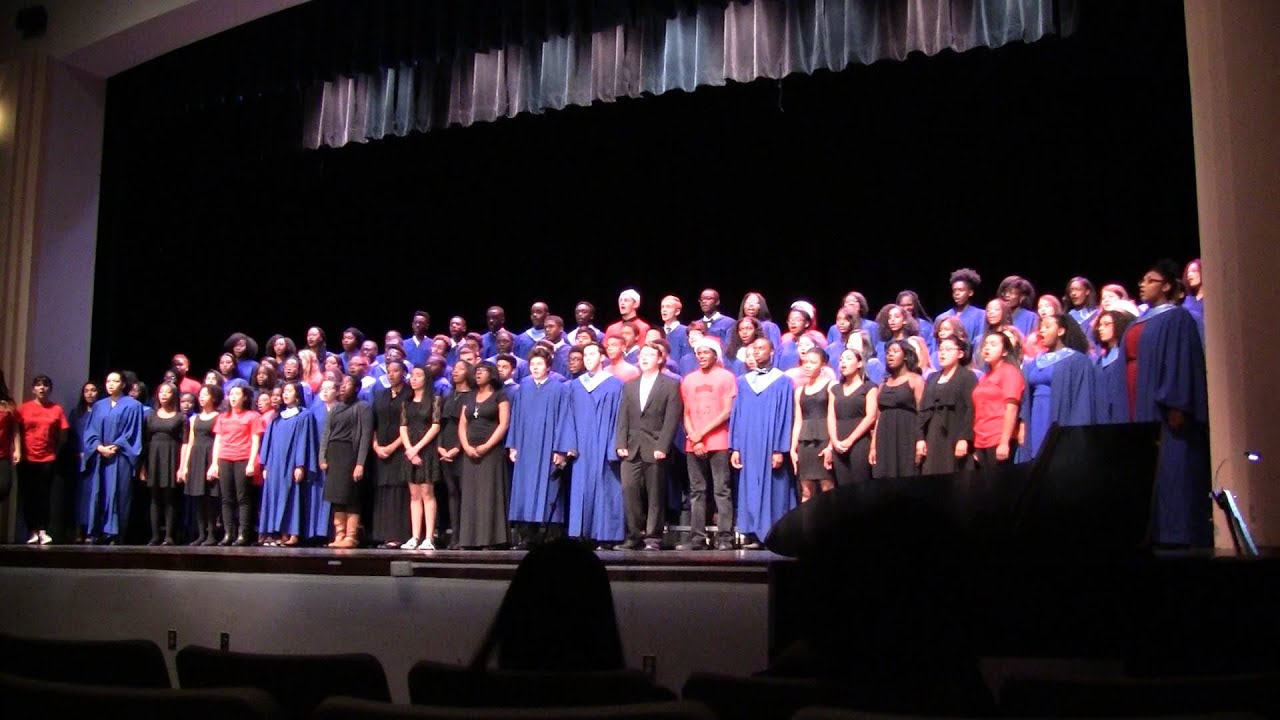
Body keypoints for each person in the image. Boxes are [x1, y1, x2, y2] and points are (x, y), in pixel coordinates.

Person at [1124, 260, 1211, 547]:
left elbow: (1180, 363)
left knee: (1173, 468)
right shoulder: (1140, 320)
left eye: (1150, 280)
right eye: (1142, 280)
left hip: (1162, 404)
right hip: (1137, 398)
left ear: (1167, 286)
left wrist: (1176, 404)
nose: (1142, 284)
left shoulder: (1178, 318)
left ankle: (1177, 533)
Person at [614, 343, 683, 551]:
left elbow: (671, 419)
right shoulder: (630, 385)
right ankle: (633, 535)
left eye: (650, 355)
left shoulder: (670, 385)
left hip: (655, 446)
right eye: (642, 354)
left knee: (655, 493)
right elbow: (623, 416)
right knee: (629, 489)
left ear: (660, 359)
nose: (644, 358)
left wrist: (663, 445)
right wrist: (620, 442)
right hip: (632, 446)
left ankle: (653, 537)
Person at [730, 338, 795, 550]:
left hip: (770, 443)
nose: (757, 352)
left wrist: (779, 448)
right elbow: (737, 416)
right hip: (749, 443)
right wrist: (736, 447)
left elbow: (786, 416)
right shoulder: (743, 381)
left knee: (774, 487)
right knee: (750, 486)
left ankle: (774, 534)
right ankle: (755, 534)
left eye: (761, 348)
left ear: (772, 351)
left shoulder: (782, 381)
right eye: (754, 349)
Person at [504, 347, 573, 548]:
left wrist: (561, 449)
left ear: (548, 367)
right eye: (532, 364)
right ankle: (528, 536)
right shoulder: (523, 387)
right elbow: (515, 417)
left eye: (539, 364)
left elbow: (564, 419)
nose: (535, 368)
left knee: (549, 490)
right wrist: (513, 445)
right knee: (524, 490)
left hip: (548, 448)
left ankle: (552, 536)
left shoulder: (559, 389)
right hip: (526, 448)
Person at [564, 342, 625, 548]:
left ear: (602, 357)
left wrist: (615, 446)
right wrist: (569, 444)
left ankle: (606, 535)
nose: (588, 358)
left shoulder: (614, 384)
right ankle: (581, 534)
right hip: (581, 446)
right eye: (585, 355)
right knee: (580, 487)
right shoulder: (574, 385)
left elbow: (619, 418)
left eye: (592, 354)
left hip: (604, 445)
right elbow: (568, 418)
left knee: (606, 486)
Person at [679, 338, 737, 551]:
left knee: (721, 490)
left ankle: (725, 538)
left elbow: (727, 411)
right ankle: (697, 538)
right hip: (693, 443)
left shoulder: (726, 377)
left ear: (715, 354)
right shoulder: (689, 379)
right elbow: (685, 412)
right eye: (699, 353)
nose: (702, 356)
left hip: (718, 441)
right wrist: (694, 437)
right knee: (697, 491)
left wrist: (700, 434)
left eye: (706, 352)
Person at [1019, 313, 1097, 460]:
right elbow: (1026, 398)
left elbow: (1083, 401)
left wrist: (1075, 433)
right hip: (1036, 415)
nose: (1041, 331)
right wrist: (1023, 424)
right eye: (1041, 327)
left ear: (1061, 331)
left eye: (1047, 327)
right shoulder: (1035, 362)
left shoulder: (1077, 361)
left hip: (1059, 416)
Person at [82, 371, 145, 544]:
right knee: (99, 492)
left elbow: (133, 432)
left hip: (121, 457)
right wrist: (99, 447)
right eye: (108, 381)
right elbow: (90, 431)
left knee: (119, 493)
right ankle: (96, 531)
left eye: (115, 381)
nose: (110, 384)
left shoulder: (133, 405)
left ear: (123, 384)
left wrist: (117, 446)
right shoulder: (99, 406)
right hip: (100, 457)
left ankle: (116, 534)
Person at [457, 362, 511, 549]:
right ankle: (470, 539)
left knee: (489, 494)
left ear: (492, 374)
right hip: (470, 452)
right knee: (471, 494)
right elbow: (462, 424)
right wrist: (466, 446)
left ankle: (491, 539)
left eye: (483, 371)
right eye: (476, 371)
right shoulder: (470, 396)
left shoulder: (500, 396)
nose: (478, 374)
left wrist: (487, 446)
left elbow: (503, 424)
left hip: (491, 451)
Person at [258, 381, 317, 548]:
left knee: (292, 494)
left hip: (291, 462)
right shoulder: (277, 417)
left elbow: (303, 441)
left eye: (289, 391)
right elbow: (268, 442)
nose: (285, 394)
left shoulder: (304, 415)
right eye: (284, 391)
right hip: (275, 463)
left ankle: (293, 533)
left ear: (297, 394)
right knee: (274, 495)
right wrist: (265, 465)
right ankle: (276, 532)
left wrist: (300, 465)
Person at [15, 374, 69, 544]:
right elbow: (16, 431)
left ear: (49, 389)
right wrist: (17, 451)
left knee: (44, 495)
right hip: (27, 458)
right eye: (38, 385)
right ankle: (31, 530)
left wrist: (56, 451)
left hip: (48, 458)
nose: (41, 388)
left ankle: (43, 530)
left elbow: (63, 434)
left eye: (45, 385)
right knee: (28, 495)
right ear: (33, 389)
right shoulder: (24, 408)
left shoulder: (56, 409)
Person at [320, 375, 372, 549]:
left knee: (352, 496)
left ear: (356, 388)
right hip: (335, 455)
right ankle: (339, 534)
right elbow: (327, 433)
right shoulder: (335, 408)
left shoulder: (362, 407)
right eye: (342, 384)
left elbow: (365, 435)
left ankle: (351, 535)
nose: (343, 387)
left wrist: (360, 463)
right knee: (337, 497)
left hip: (351, 454)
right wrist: (323, 456)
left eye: (347, 384)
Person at [916, 337, 978, 475]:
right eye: (941, 350)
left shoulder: (967, 376)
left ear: (960, 354)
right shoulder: (932, 378)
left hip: (955, 433)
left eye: (948, 349)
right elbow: (923, 410)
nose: (943, 353)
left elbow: (970, 409)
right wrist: (920, 438)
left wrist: (964, 438)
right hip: (932, 435)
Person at [208, 384, 261, 546]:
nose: (233, 397)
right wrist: (214, 464)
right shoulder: (222, 417)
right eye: (231, 394)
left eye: (237, 394)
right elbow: (217, 441)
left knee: (242, 498)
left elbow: (255, 440)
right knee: (226, 498)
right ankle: (228, 534)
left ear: (244, 397)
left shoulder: (252, 416)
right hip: (225, 458)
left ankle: (243, 534)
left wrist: (252, 462)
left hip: (243, 458)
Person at [399, 366, 442, 550]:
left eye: (418, 375)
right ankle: (415, 536)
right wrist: (409, 449)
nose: (414, 379)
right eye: (412, 375)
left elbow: (435, 425)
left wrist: (417, 448)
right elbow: (403, 427)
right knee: (414, 495)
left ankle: (429, 537)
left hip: (426, 449)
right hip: (410, 451)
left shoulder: (435, 400)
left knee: (427, 494)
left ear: (426, 379)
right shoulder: (406, 402)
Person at [368, 360, 411, 548]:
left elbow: (410, 425)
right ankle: (383, 534)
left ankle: (398, 535)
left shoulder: (409, 395)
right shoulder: (381, 395)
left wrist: (393, 446)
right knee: (382, 489)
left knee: (398, 490)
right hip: (381, 451)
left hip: (400, 450)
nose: (391, 374)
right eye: (389, 371)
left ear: (404, 373)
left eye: (396, 371)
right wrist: (376, 445)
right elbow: (374, 424)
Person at [971, 330, 1025, 474]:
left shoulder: (1010, 372)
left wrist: (1004, 442)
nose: (987, 347)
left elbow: (1011, 409)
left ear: (1005, 351)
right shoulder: (985, 376)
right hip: (982, 440)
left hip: (998, 438)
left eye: (993, 344)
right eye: (986, 344)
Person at [870, 340, 924, 479]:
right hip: (885, 437)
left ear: (905, 355)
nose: (890, 355)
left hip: (907, 435)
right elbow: (878, 417)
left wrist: (920, 440)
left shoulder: (915, 380)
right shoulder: (883, 385)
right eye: (888, 353)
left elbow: (922, 412)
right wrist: (873, 446)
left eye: (895, 351)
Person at [140, 382, 184, 545]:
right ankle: (155, 535)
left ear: (174, 395)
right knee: (154, 498)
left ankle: (169, 536)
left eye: (167, 392)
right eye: (161, 392)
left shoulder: (180, 417)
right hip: (153, 457)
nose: (164, 395)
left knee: (169, 498)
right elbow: (145, 441)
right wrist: (143, 466)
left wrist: (181, 466)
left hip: (172, 456)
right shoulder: (150, 415)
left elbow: (184, 441)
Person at [178, 383, 222, 545]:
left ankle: (211, 534)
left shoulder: (219, 417)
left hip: (210, 456)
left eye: (206, 394)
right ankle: (201, 533)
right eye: (201, 394)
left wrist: (215, 464)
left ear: (214, 397)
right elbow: (190, 442)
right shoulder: (194, 418)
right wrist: (185, 466)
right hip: (196, 456)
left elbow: (219, 440)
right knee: (198, 497)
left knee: (211, 497)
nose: (202, 397)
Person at [827, 348, 878, 487]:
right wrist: (835, 441)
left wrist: (850, 440)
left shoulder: (869, 387)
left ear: (859, 363)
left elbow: (871, 416)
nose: (843, 362)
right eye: (841, 359)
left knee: (861, 487)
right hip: (839, 443)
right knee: (843, 488)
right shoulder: (835, 389)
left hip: (859, 443)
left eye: (848, 358)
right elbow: (831, 417)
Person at [791, 348, 835, 502]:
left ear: (822, 365)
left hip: (824, 439)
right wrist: (793, 448)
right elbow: (798, 420)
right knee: (806, 489)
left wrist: (831, 445)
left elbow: (833, 417)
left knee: (826, 486)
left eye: (813, 362)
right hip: (805, 441)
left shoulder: (831, 386)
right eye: (805, 362)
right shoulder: (800, 391)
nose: (807, 365)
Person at [437, 360, 471, 548]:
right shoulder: (449, 395)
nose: (455, 371)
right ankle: (455, 536)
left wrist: (457, 448)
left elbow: (466, 426)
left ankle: (465, 536)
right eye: (454, 369)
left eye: (460, 369)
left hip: (461, 449)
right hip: (445, 450)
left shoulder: (471, 396)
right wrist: (441, 447)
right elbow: (442, 424)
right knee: (451, 493)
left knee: (464, 493)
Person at [68, 381, 99, 543]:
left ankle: (92, 531)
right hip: (79, 460)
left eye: (93, 390)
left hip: (96, 459)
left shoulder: (102, 412)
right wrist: (78, 453)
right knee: (79, 496)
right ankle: (78, 530)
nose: (89, 393)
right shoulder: (76, 413)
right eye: (86, 390)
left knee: (93, 496)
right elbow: (71, 436)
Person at [1093, 309, 1136, 424]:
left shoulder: (1125, 357)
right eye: (1100, 325)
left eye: (1106, 324)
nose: (1101, 328)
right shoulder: (1100, 360)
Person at [935, 269, 986, 356]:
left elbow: (979, 344)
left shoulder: (980, 316)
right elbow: (935, 347)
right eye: (954, 290)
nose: (957, 294)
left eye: (961, 290)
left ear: (970, 292)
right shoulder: (942, 318)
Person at [658, 295, 690, 362]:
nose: (664, 309)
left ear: (677, 311)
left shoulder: (686, 331)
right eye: (662, 307)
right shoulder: (658, 332)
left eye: (668, 307)